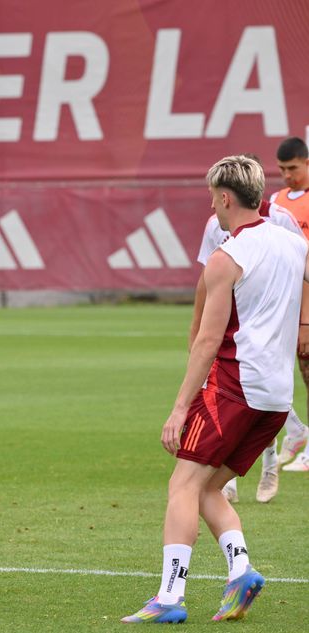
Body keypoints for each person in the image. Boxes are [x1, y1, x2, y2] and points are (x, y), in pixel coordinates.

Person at [122, 155, 309, 624]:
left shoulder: (226, 258)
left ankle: (169, 598)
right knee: (209, 489)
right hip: (276, 399)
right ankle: (241, 570)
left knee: (181, 485)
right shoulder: (293, 244)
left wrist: (179, 407)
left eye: (212, 195)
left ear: (225, 198)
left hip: (234, 387)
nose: (211, 202)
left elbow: (207, 340)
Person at [189, 155, 309, 503]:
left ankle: (270, 463)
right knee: (246, 398)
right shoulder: (216, 226)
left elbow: (300, 270)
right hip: (233, 324)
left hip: (265, 333)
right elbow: (205, 279)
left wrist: (303, 322)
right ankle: (231, 482)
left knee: (253, 395)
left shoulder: (282, 221)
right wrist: (196, 328)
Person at [270, 137, 309, 472]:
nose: (287, 175)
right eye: (282, 169)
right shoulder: (277, 201)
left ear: (307, 163)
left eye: (292, 168)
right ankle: (296, 431)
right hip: (288, 300)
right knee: (280, 371)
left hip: (307, 300)